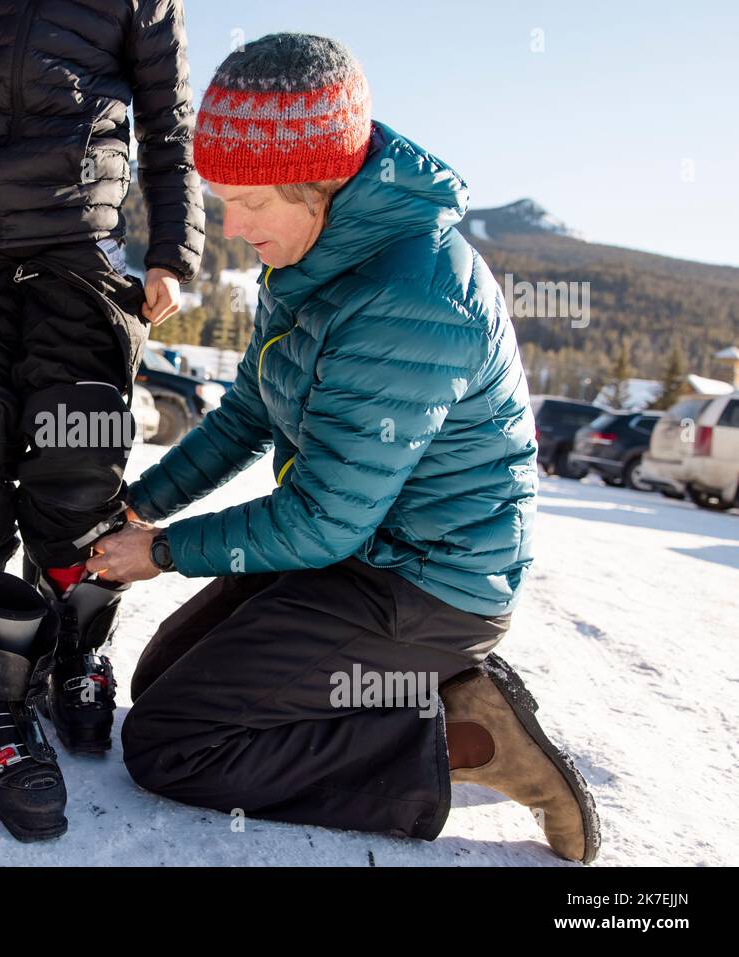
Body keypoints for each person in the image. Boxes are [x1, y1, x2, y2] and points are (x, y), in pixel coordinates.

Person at [86, 32, 600, 863]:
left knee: (173, 743)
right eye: (224, 200)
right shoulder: (310, 261)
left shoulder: (410, 296)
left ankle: (462, 741)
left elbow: (322, 520)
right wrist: (145, 501)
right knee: (162, 682)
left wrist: (166, 550)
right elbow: (249, 411)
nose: (233, 226)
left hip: (428, 580)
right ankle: (408, 693)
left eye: (251, 202)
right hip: (360, 547)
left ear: (320, 182)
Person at [0, 0, 204, 838]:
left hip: (76, 239)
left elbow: (169, 123)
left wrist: (172, 250)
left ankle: (69, 655)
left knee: (78, 454)